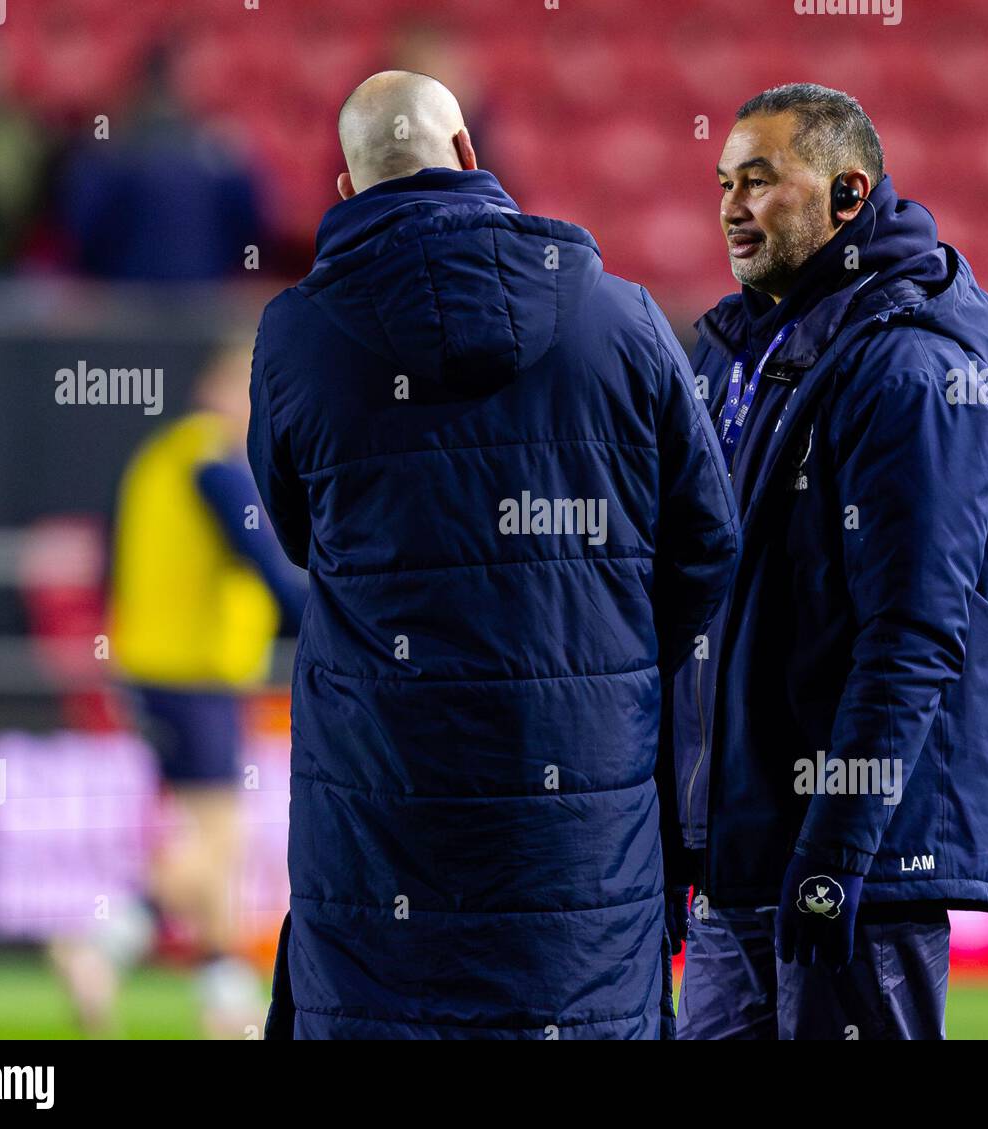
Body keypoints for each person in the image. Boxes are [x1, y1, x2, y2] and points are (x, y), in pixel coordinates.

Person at [249, 70, 739, 1039]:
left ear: (346, 192)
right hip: (582, 824)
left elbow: (301, 536)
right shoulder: (622, 318)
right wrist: (612, 655)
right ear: (470, 153)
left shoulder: (296, 337)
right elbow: (707, 542)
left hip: (380, 816)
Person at [672, 84, 988, 1040]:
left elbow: (912, 636)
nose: (734, 205)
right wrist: (679, 834)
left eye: (761, 181)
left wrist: (836, 853)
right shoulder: (732, 356)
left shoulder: (913, 369)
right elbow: (702, 609)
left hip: (851, 871)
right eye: (725, 183)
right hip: (740, 858)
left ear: (849, 194)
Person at [51, 342, 306, 1038]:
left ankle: (223, 1000)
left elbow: (110, 555)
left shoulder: (160, 456)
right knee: (217, 838)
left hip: (152, 668)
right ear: (228, 389)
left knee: (209, 832)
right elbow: (271, 569)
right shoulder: (214, 462)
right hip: (195, 675)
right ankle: (102, 942)